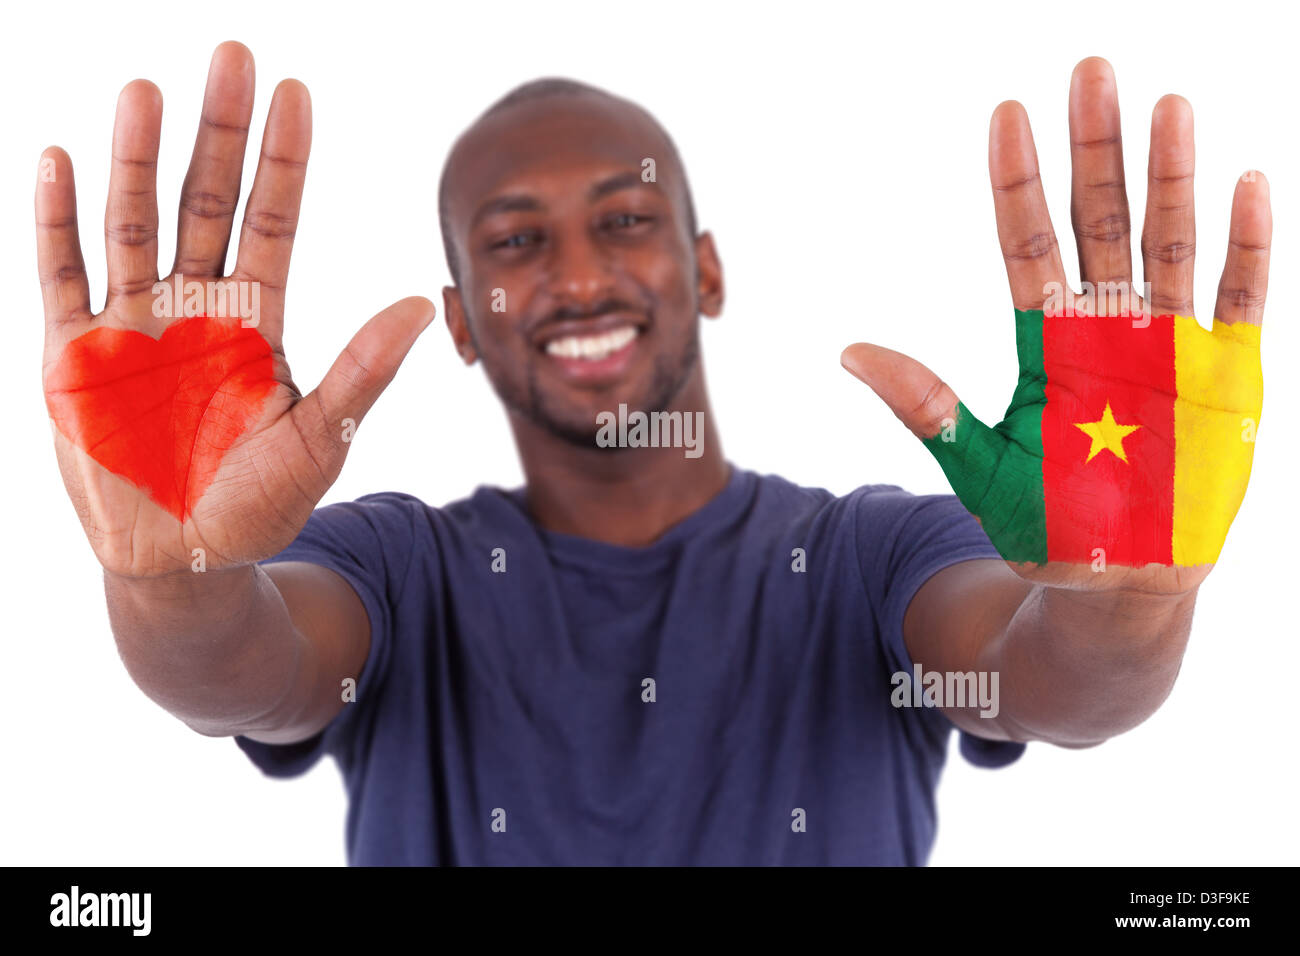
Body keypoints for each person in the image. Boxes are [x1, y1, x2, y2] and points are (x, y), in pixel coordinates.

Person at [36, 42, 1270, 865]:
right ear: (462, 322)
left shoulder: (862, 556)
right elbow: (236, 669)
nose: (577, 275)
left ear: (708, 268)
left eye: (624, 221)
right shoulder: (403, 568)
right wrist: (174, 577)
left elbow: (1046, 683)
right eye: (514, 243)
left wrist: (1123, 606)